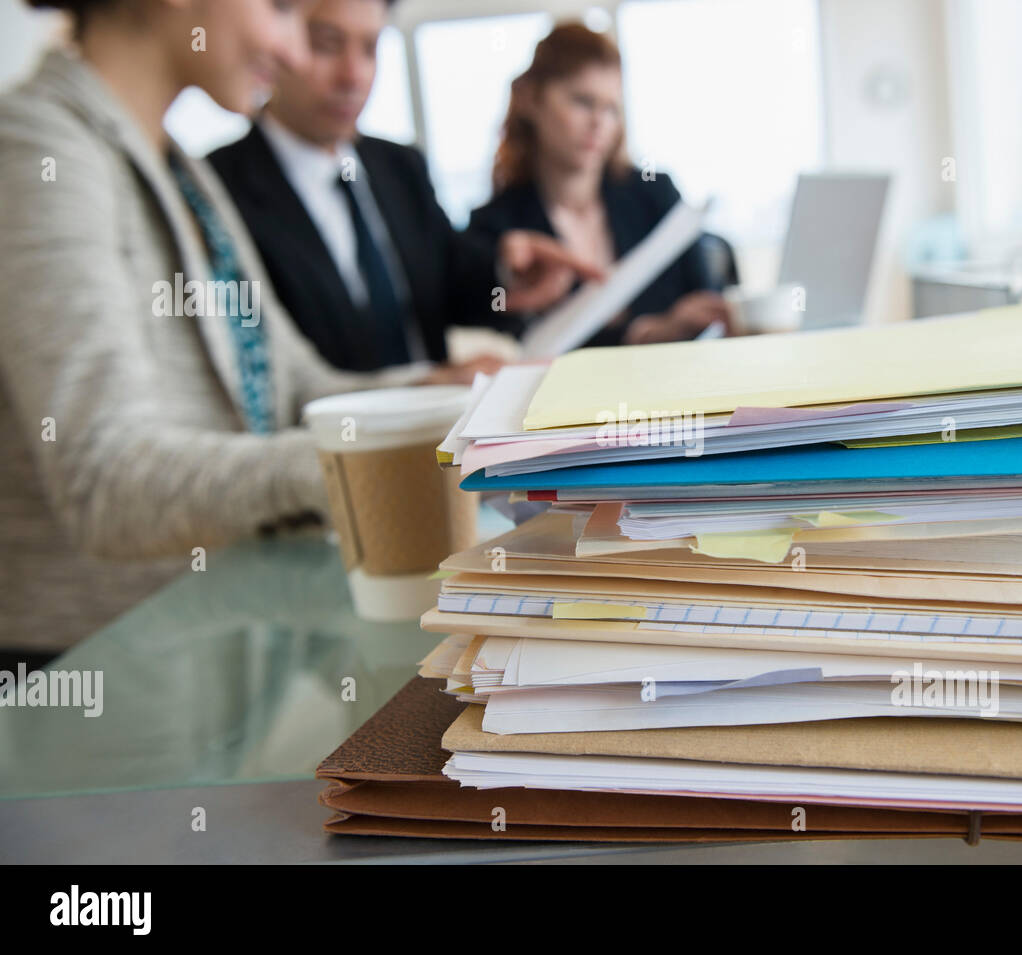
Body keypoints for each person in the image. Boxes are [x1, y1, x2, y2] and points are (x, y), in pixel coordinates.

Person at [0, 0, 595, 654]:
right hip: (103, 677)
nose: (288, 49)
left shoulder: (181, 170)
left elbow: (293, 385)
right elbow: (104, 477)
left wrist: (443, 388)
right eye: (281, 7)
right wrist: (366, 461)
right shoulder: (40, 148)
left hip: (212, 648)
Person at [210, 0, 553, 379]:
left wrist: (507, 270)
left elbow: (449, 282)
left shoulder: (399, 166)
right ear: (279, 36)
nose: (353, 76)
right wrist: (415, 388)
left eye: (370, 48)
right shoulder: (218, 189)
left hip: (438, 427)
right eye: (326, 44)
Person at [468, 22, 733, 347]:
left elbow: (709, 307)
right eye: (582, 101)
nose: (599, 123)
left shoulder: (656, 196)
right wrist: (644, 333)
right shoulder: (497, 229)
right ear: (532, 100)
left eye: (611, 109)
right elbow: (516, 342)